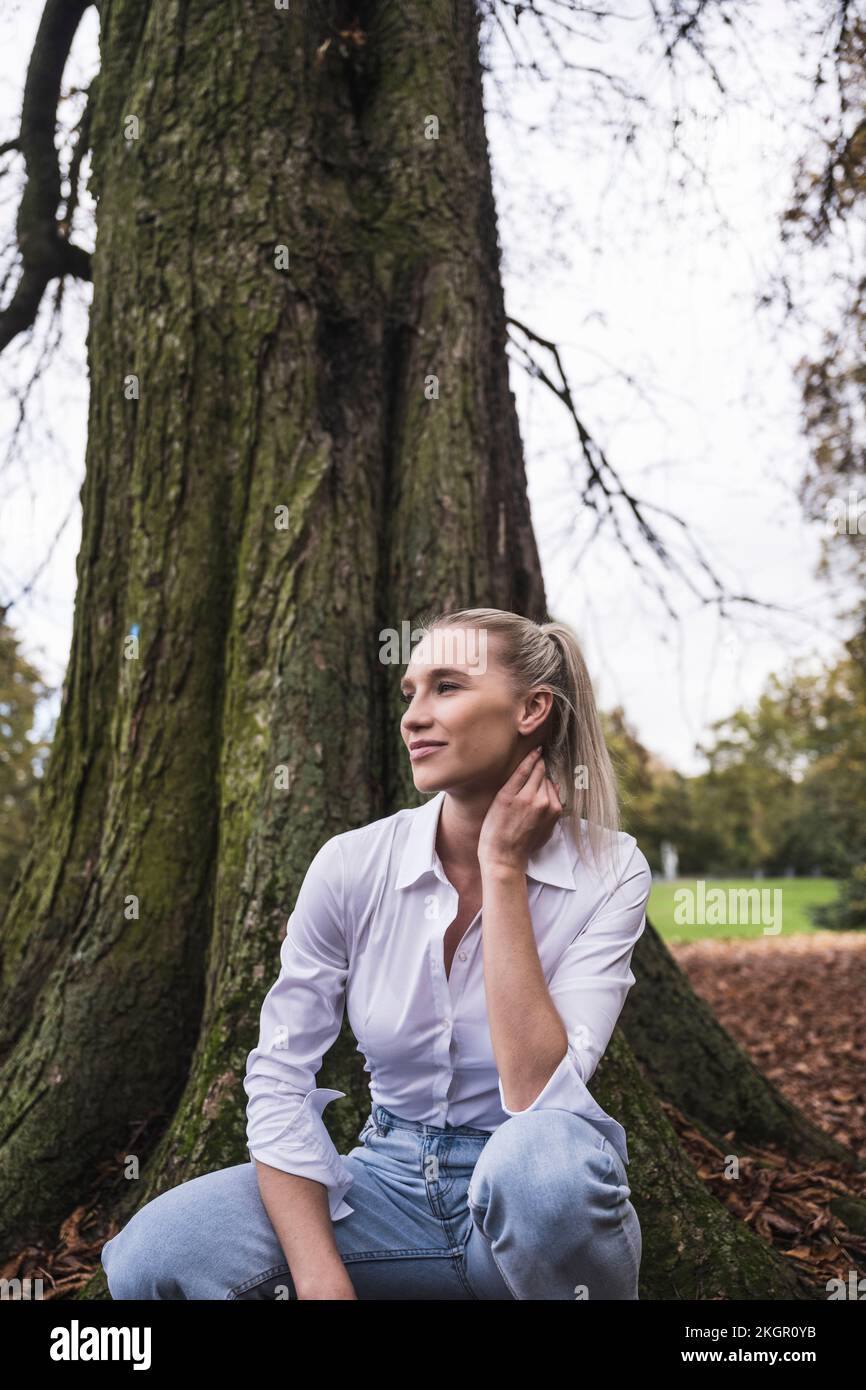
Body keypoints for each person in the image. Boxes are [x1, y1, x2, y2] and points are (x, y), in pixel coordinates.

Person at [101, 606, 651, 1300]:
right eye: (410, 692)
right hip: (385, 1188)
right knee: (156, 1253)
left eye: (447, 687)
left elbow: (537, 1095)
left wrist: (504, 869)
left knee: (540, 1164)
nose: (414, 716)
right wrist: (321, 1279)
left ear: (532, 709)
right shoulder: (352, 864)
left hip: (529, 1200)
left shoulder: (611, 869)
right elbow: (279, 1079)